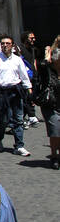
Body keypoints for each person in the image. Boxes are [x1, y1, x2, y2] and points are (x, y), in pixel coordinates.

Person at [0, 35, 33, 156]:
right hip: (0, 92)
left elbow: (24, 76)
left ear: (12, 45)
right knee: (3, 120)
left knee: (18, 119)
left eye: (7, 43)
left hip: (15, 91)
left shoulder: (17, 59)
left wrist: (29, 91)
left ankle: (19, 146)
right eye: (3, 43)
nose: (5, 45)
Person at [36, 39, 60, 169]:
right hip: (50, 105)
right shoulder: (48, 72)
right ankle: (54, 155)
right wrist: (47, 53)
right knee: (55, 131)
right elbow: (42, 64)